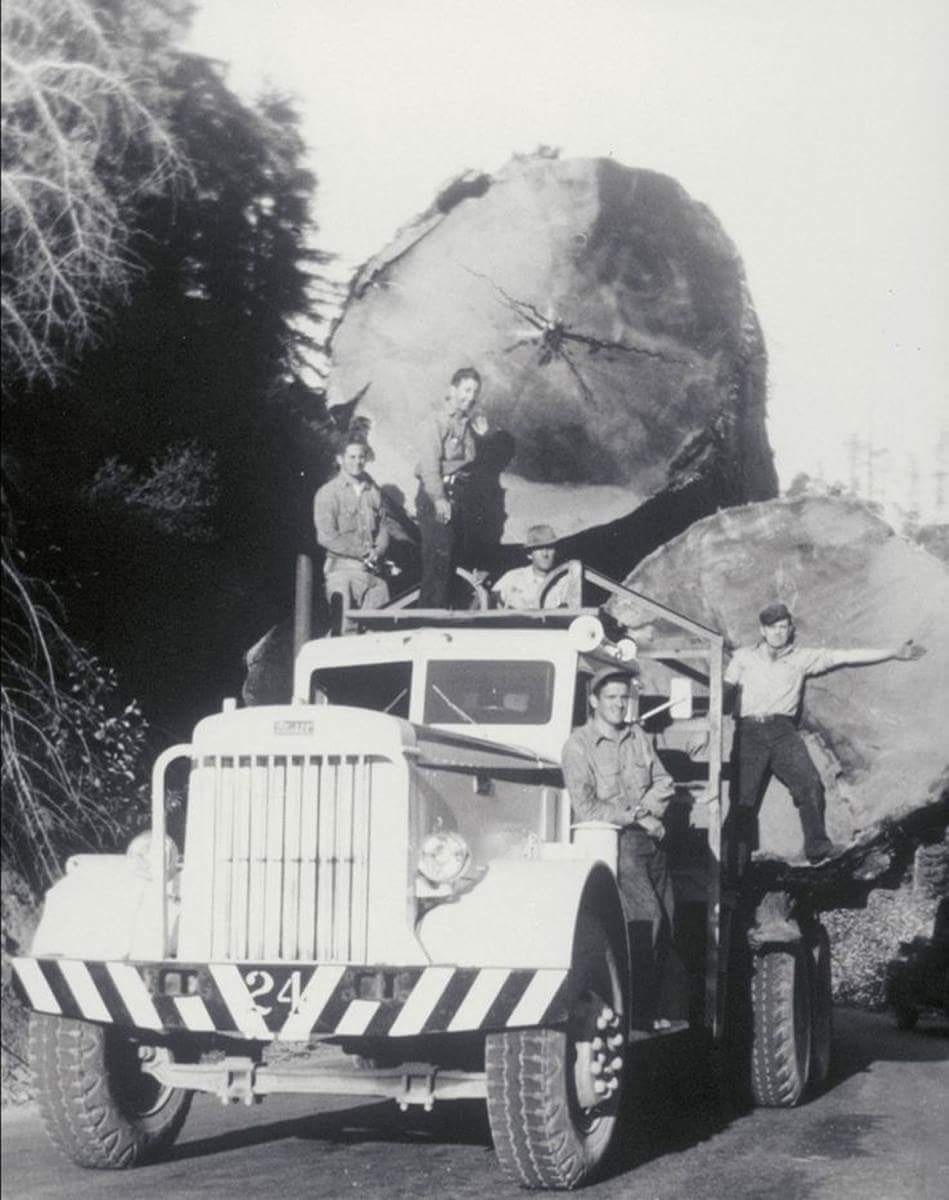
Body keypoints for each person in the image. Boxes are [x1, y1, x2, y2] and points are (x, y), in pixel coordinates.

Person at [725, 602, 926, 866]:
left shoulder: (801, 658)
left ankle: (817, 847)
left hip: (783, 731)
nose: (778, 633)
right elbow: (724, 693)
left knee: (810, 784)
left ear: (790, 629)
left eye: (783, 627)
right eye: (772, 628)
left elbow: (844, 655)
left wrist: (893, 652)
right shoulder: (743, 657)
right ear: (762, 631)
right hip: (749, 732)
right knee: (742, 801)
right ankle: (730, 867)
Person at [562, 665, 678, 1029]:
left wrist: (647, 814)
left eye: (623, 698)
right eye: (610, 697)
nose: (617, 704)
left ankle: (649, 1008)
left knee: (668, 923)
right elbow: (587, 807)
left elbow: (665, 781)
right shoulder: (578, 746)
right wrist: (638, 817)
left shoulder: (638, 737)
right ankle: (638, 1016)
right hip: (616, 843)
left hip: (653, 841)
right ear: (595, 701)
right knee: (647, 921)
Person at [415, 367, 489, 608]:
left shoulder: (465, 424)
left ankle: (444, 622)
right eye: (466, 390)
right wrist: (438, 499)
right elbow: (429, 466)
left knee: (451, 563)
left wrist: (480, 437)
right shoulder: (436, 421)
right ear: (452, 390)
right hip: (438, 497)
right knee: (438, 564)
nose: (470, 396)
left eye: (475, 392)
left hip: (456, 497)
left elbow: (468, 461)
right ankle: (427, 624)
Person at [313, 435, 390, 618]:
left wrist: (377, 551)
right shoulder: (328, 493)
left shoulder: (373, 493)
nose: (358, 462)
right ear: (340, 459)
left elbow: (383, 528)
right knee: (345, 628)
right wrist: (363, 551)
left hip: (372, 575)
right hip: (341, 572)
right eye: (352, 457)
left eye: (361, 457)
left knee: (376, 628)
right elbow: (326, 536)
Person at [492, 524, 571, 609]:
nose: (545, 554)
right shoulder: (512, 578)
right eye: (539, 548)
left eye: (549, 548)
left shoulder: (566, 581)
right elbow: (492, 604)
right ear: (529, 554)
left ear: (556, 551)